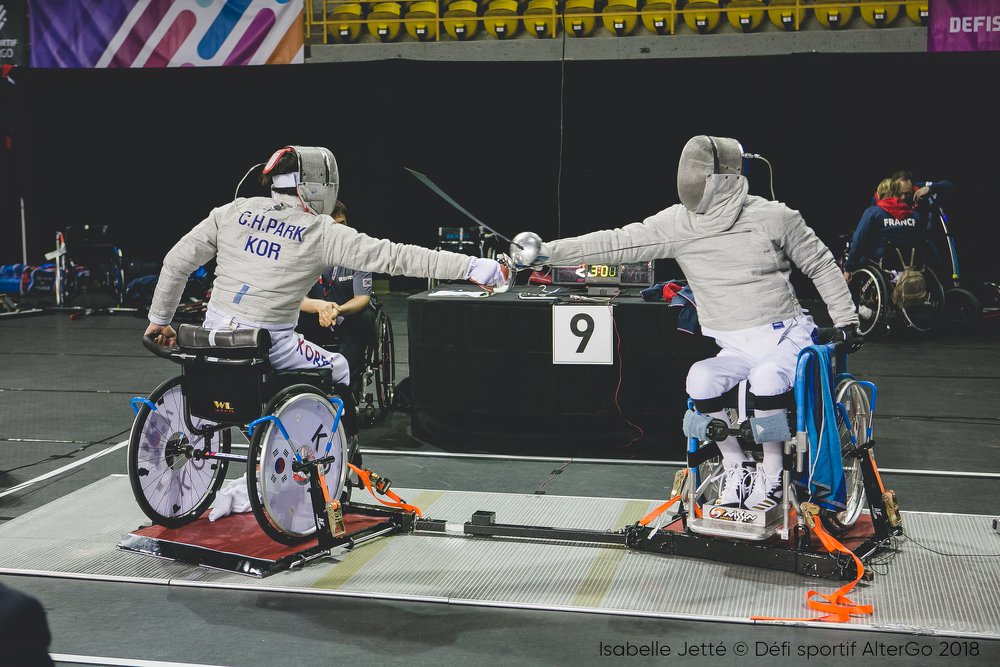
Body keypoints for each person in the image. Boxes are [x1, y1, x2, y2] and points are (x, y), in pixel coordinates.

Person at [511, 135, 862, 511]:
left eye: (701, 172)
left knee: (767, 378)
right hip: (734, 346)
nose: (692, 181)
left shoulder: (774, 216)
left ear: (725, 176)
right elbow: (614, 242)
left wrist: (846, 320)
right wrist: (548, 253)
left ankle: (773, 471)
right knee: (701, 378)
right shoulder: (678, 223)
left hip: (784, 337)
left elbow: (821, 265)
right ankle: (736, 463)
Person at [144, 145, 508, 389]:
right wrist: (474, 266)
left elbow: (177, 262)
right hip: (268, 344)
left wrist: (160, 319)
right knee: (338, 367)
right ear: (317, 187)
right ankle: (335, 459)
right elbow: (397, 256)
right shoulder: (321, 232)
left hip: (210, 338)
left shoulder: (232, 211)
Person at [297, 200, 376, 387]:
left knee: (364, 317)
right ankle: (307, 379)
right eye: (335, 225)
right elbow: (297, 298)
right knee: (292, 315)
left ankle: (342, 382)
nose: (341, 230)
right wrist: (319, 308)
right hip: (317, 315)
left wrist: (337, 310)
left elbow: (362, 298)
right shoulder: (304, 255)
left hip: (347, 313)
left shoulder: (358, 252)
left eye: (343, 224)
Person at [843, 175, 948, 280]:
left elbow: (859, 241)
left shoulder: (873, 212)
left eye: (906, 193)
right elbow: (926, 242)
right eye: (901, 193)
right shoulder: (914, 215)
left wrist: (848, 268)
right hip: (911, 264)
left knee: (859, 239)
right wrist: (940, 269)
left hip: (882, 264)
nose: (903, 197)